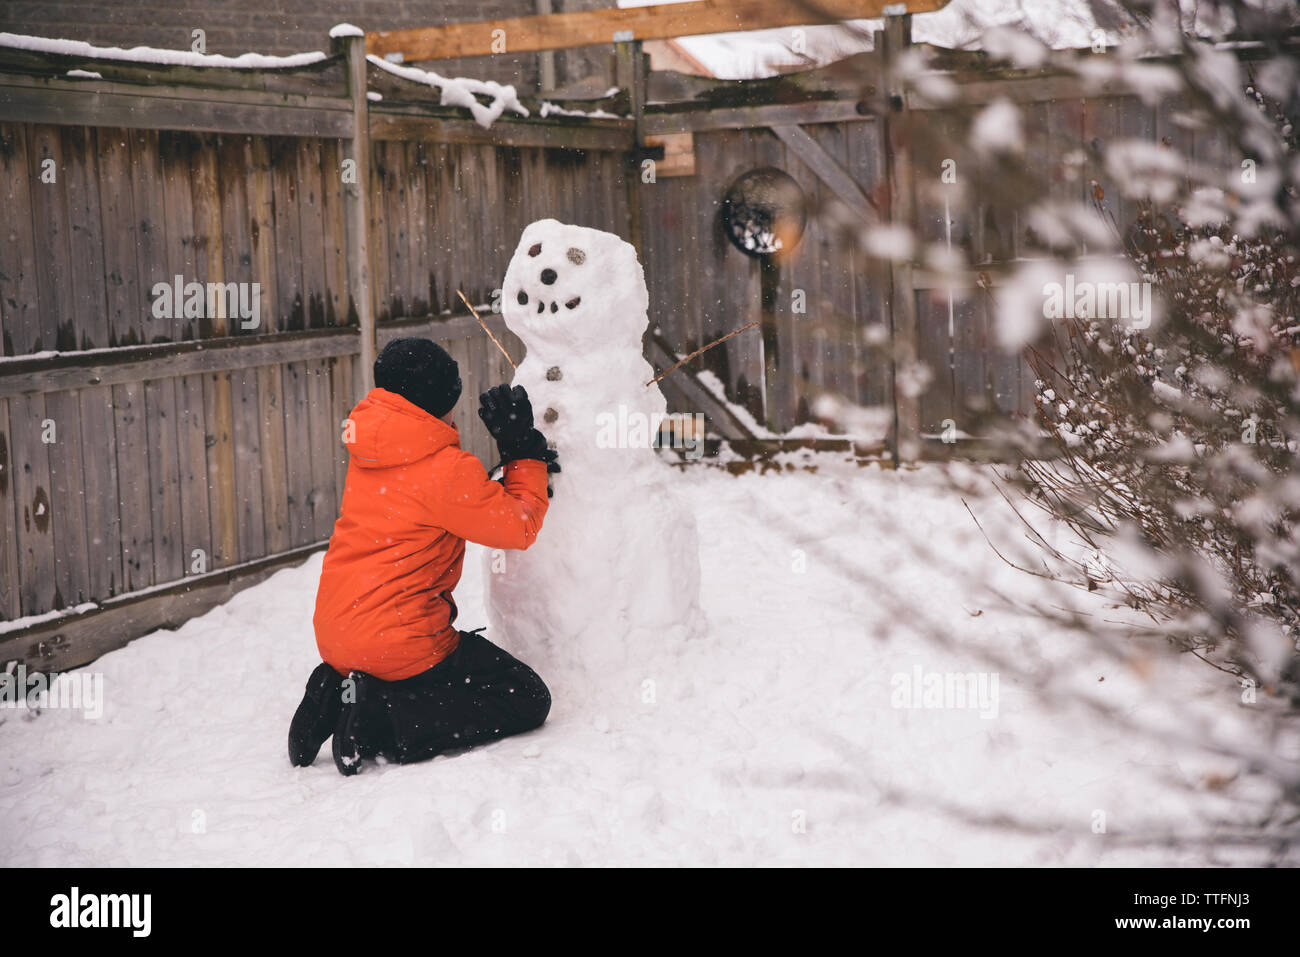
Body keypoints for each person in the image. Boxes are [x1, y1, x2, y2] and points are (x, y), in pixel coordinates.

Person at [288, 337, 558, 776]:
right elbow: (519, 526)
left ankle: (333, 689)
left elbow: (434, 502)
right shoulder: (446, 470)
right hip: (398, 646)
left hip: (337, 633)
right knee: (523, 697)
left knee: (431, 666)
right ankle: (375, 722)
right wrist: (522, 450)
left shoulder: (370, 450)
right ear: (441, 402)